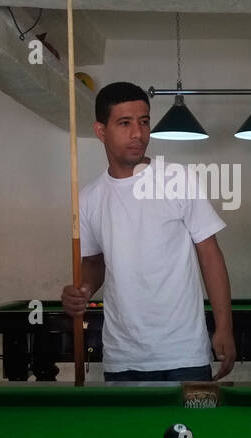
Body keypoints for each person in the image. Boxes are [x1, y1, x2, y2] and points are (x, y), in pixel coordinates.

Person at [61, 82, 236, 383]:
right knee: (125, 433)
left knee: (191, 432)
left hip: (184, 353)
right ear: (101, 131)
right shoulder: (89, 198)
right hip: (122, 355)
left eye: (144, 122)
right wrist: (83, 291)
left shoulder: (178, 179)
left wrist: (224, 327)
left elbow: (210, 255)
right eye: (125, 123)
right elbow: (93, 263)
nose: (138, 134)